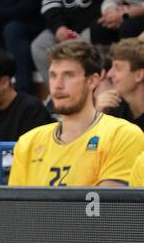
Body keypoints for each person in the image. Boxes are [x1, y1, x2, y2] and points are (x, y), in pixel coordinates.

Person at [9, 40, 144, 188]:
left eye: (68, 75)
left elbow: (106, 207)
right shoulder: (28, 142)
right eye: (53, 76)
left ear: (92, 81)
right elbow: (17, 209)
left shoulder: (123, 135)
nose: (58, 85)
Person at [95, 38, 144, 134]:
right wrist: (98, 117)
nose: (109, 74)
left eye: (118, 68)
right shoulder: (114, 108)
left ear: (139, 75)